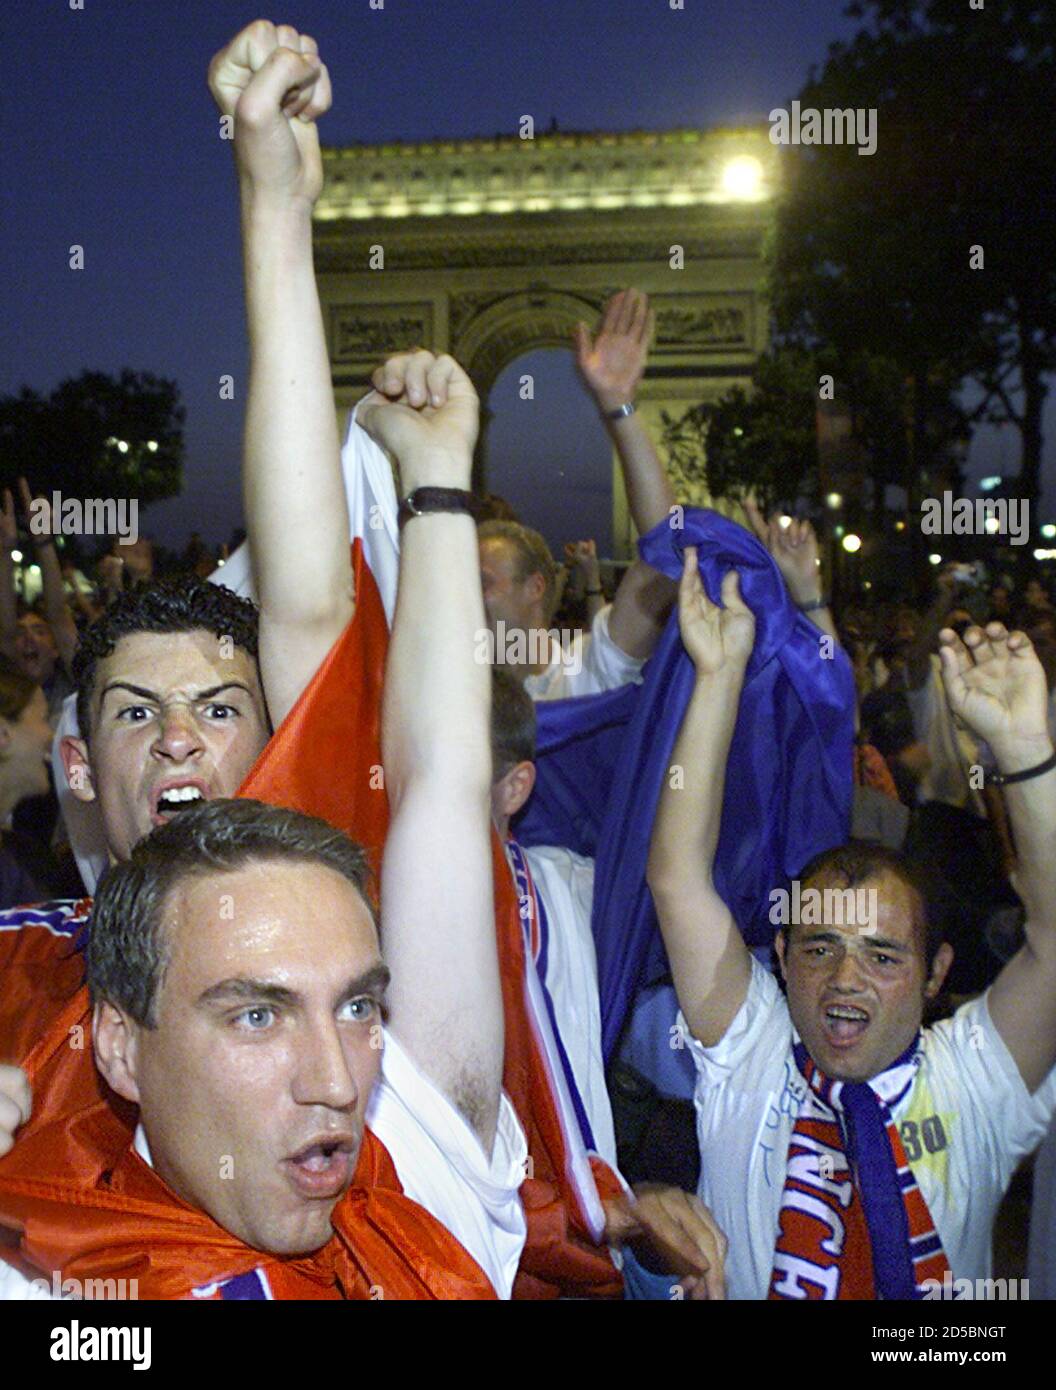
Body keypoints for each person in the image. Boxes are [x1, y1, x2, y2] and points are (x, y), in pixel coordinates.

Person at [648, 545, 1056, 1299]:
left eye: (882, 956)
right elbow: (676, 877)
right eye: (822, 946)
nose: (845, 978)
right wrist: (718, 678)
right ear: (780, 954)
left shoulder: (976, 1081)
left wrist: (1025, 750)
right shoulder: (754, 1054)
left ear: (937, 975)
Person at [479, 288, 678, 700]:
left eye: (482, 582)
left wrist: (618, 404)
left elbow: (667, 553)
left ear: (535, 587)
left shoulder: (588, 673)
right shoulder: (446, 694)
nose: (462, 596)